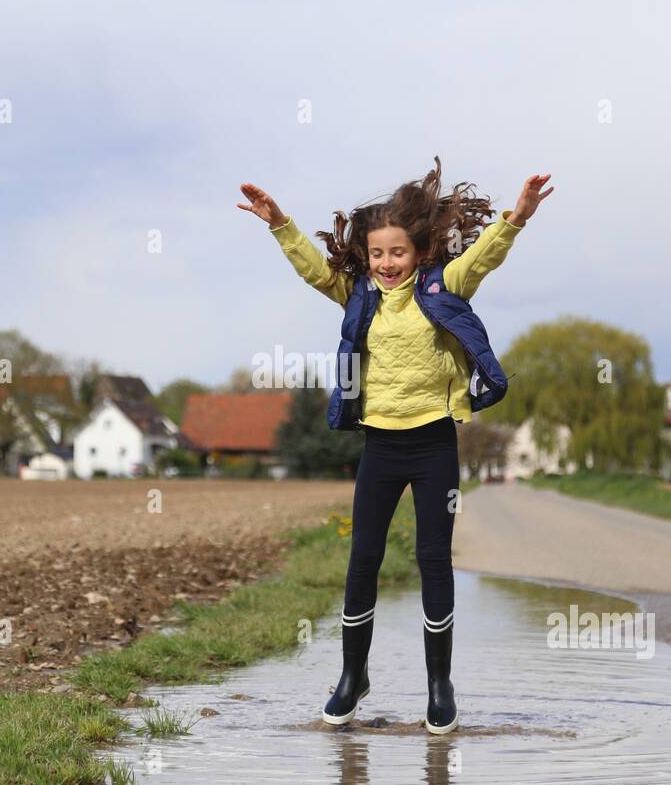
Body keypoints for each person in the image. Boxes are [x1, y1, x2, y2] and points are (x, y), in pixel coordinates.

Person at [237, 157, 553, 734]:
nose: (386, 263)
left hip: (434, 443)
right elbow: (312, 269)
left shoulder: (443, 286)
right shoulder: (357, 296)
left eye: (397, 253)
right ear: (366, 256)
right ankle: (351, 677)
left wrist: (518, 217)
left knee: (434, 560)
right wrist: (279, 223)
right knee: (364, 560)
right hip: (380, 446)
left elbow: (485, 256)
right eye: (377, 254)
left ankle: (439, 685)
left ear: (419, 251)